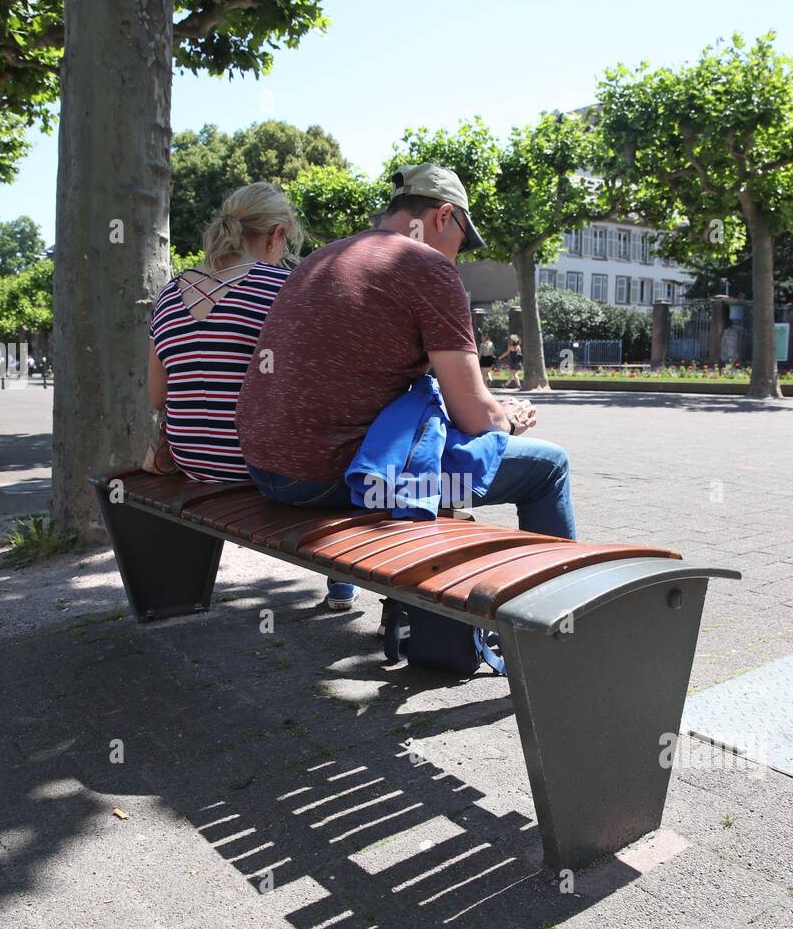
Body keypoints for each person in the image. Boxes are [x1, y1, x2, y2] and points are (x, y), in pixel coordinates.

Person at [236, 162, 576, 563]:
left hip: (264, 469)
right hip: (325, 480)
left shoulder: (323, 258)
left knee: (408, 439)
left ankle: (397, 609)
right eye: (462, 242)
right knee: (549, 466)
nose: (458, 257)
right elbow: (475, 418)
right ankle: (554, 612)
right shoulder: (427, 267)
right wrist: (510, 418)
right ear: (444, 215)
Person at [147, 182, 355, 612]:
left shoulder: (170, 293)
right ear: (276, 234)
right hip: (255, 466)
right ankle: (342, 580)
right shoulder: (284, 286)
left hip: (192, 457)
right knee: (364, 447)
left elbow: (156, 396)